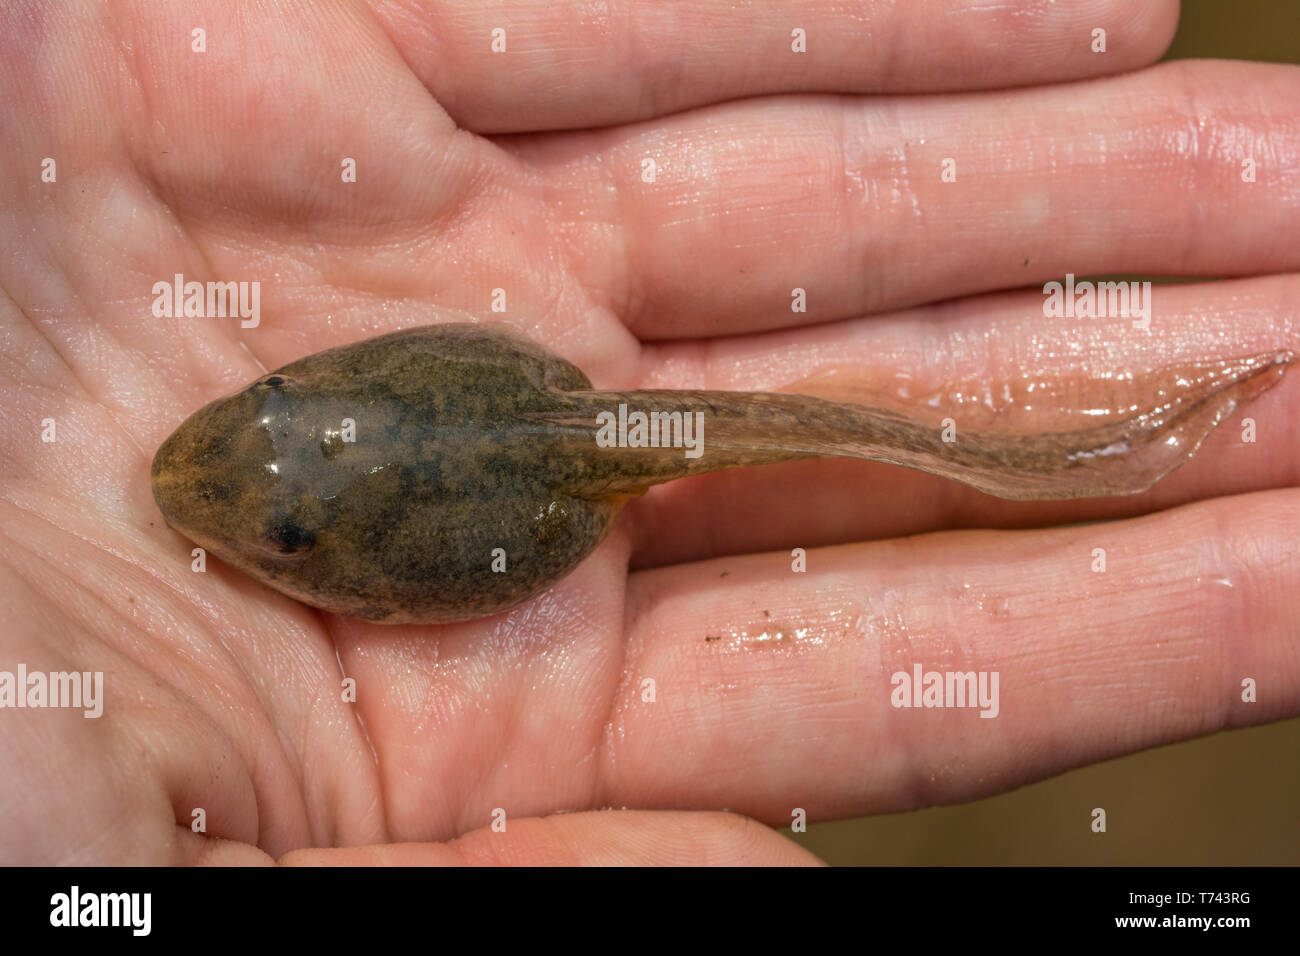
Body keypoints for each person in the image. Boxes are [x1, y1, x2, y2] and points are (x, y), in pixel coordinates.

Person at [1, 0, 1295, 865]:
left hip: (547, 434)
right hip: (544, 424)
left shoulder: (489, 516)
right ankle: (1100, 445)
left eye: (270, 408)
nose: (255, 417)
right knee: (898, 438)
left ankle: (1107, 442)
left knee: (906, 438)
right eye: (265, 425)